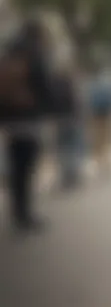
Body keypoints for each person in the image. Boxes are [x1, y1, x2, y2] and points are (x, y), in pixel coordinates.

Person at [1, 17, 58, 232]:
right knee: (26, 166)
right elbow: (43, 83)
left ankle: (17, 211)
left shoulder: (9, 51)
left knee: (16, 165)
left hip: (9, 117)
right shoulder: (35, 52)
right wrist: (51, 109)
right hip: (28, 116)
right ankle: (24, 214)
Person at [89, 67, 111, 176]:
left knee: (98, 141)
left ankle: (100, 163)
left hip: (96, 116)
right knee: (108, 140)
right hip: (108, 115)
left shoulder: (92, 86)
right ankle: (108, 163)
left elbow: (89, 101)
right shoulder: (109, 86)